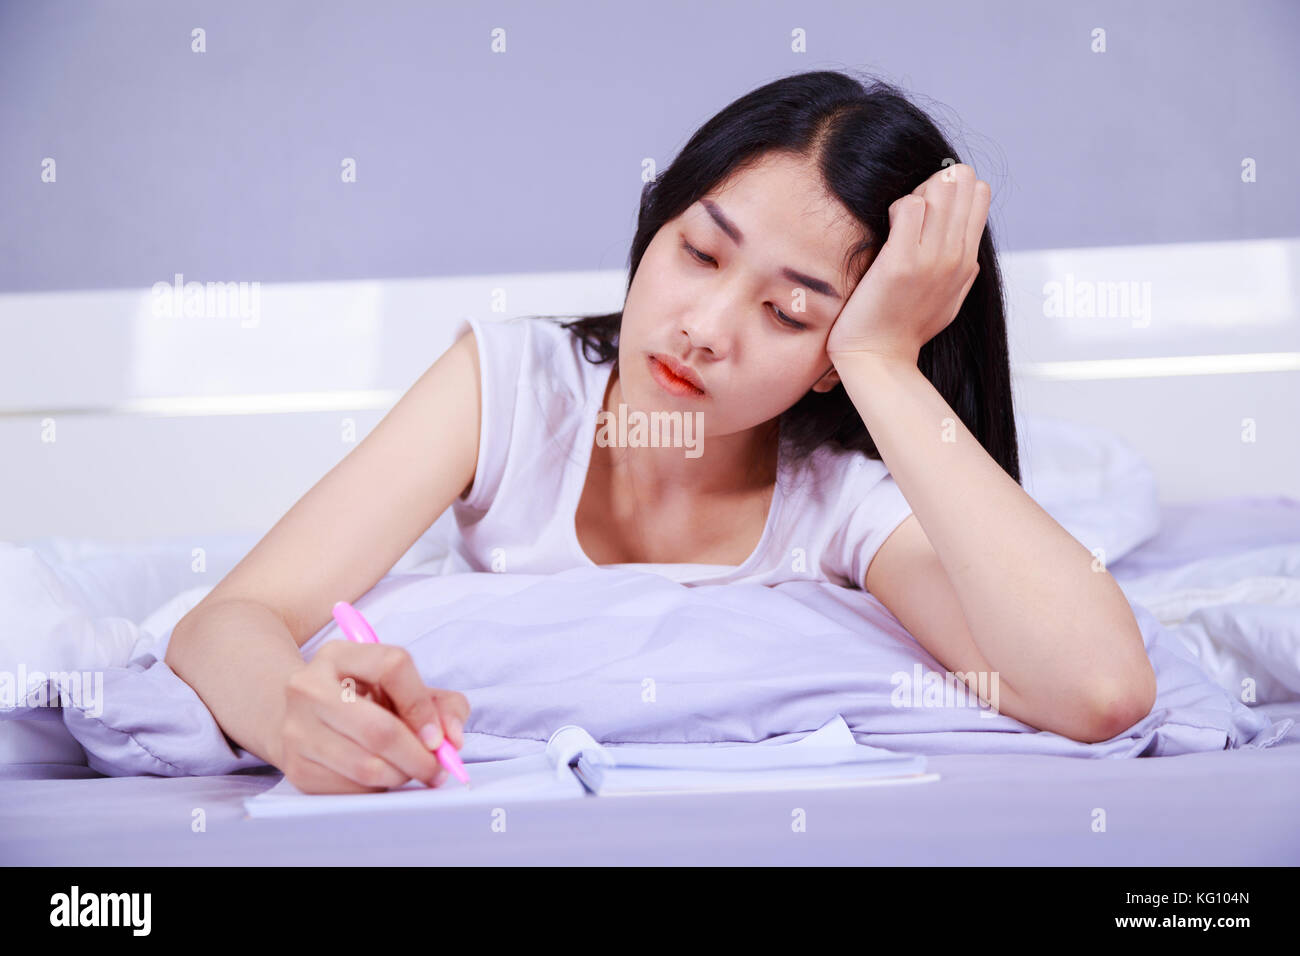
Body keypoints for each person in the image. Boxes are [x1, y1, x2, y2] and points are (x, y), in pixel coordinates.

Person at [165, 70, 1155, 795]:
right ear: (653, 225)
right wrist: (295, 716)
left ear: (836, 355)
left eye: (791, 314)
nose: (705, 328)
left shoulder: (838, 493)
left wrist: (887, 364)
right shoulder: (510, 384)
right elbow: (229, 618)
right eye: (697, 251)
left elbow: (1100, 688)